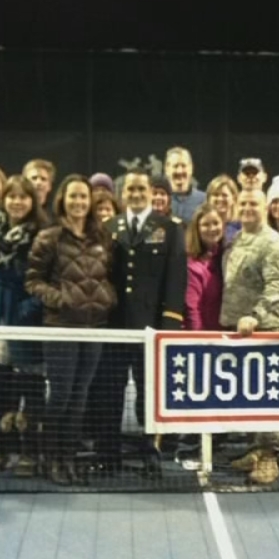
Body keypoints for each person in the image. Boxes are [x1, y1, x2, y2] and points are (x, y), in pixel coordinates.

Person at [91, 169, 187, 476]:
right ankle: (108, 453)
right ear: (122, 193)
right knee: (110, 392)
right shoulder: (109, 226)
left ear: (150, 192)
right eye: (129, 189)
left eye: (140, 189)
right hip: (115, 326)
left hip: (151, 328)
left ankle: (150, 452)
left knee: (150, 393)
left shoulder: (170, 228)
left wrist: (169, 327)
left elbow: (175, 280)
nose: (135, 194)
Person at [25, 175, 117, 485]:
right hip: (60, 328)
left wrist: (108, 298)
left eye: (83, 197)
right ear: (62, 200)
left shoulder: (102, 237)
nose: (78, 202)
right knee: (61, 395)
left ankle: (69, 459)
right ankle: (51, 459)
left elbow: (109, 275)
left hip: (94, 329)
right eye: (73, 197)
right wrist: (59, 298)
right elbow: (33, 281)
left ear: (91, 202)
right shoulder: (48, 238)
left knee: (79, 398)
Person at [220, 188, 279, 485]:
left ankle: (270, 458)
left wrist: (257, 315)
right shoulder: (236, 239)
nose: (248, 207)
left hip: (268, 331)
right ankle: (255, 450)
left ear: (265, 208)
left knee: (268, 396)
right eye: (244, 203)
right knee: (249, 395)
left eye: (254, 203)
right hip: (239, 332)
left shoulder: (276, 244)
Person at [0, 175, 47, 477]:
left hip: (28, 320)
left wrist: (28, 308)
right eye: (12, 196)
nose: (17, 202)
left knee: (30, 390)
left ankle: (29, 454)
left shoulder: (42, 235)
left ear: (32, 202)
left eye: (23, 197)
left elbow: (46, 279)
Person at [184, 205, 227, 332]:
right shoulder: (192, 265)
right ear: (197, 229)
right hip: (204, 335)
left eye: (215, 223)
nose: (212, 228)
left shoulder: (228, 255)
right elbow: (192, 308)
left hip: (228, 333)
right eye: (205, 225)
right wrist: (199, 338)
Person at [165, 146, 205, 221]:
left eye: (184, 166)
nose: (179, 171)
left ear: (191, 168)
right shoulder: (158, 201)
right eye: (175, 166)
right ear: (167, 169)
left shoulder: (204, 201)